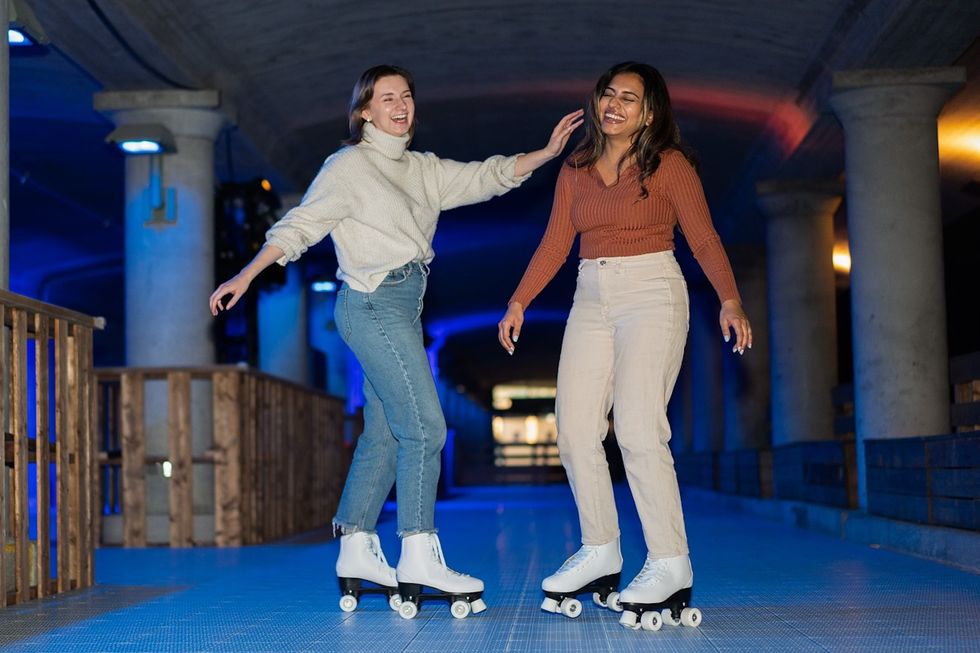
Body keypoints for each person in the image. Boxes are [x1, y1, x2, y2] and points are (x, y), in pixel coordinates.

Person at [210, 64, 583, 619]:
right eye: (387, 98)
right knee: (426, 427)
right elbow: (299, 226)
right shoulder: (348, 167)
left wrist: (546, 154)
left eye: (406, 95)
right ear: (365, 111)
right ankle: (418, 553)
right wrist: (246, 274)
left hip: (405, 307)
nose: (401, 105)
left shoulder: (422, 169)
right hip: (371, 302)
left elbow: (486, 176)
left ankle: (356, 547)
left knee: (385, 433)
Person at [497, 61, 751, 630]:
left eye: (628, 98)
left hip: (652, 292)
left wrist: (729, 299)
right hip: (591, 295)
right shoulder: (576, 168)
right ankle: (601, 550)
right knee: (574, 428)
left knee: (637, 429)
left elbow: (703, 236)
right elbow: (555, 242)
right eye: (608, 94)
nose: (613, 105)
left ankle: (670, 561)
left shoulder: (670, 165)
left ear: (650, 113)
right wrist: (518, 301)